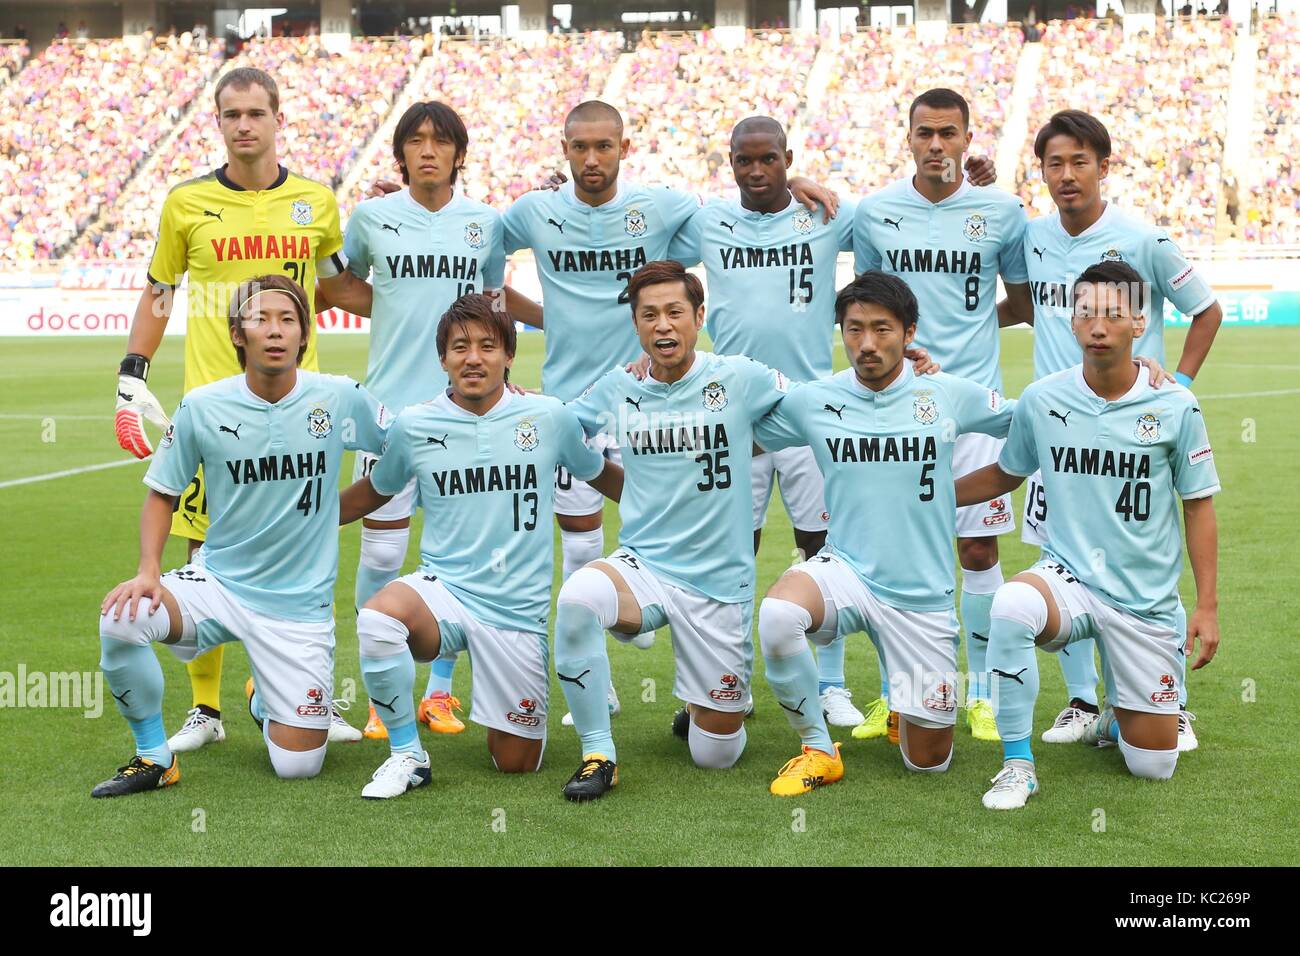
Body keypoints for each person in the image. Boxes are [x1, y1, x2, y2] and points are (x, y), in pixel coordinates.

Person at [113, 67, 371, 751]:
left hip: (303, 413)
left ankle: (283, 693)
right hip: (216, 411)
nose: (245, 125)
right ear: (218, 122)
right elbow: (161, 290)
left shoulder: (315, 201)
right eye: (232, 114)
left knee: (307, 548)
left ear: (279, 118)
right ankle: (206, 709)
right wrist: (131, 375)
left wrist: (412, 275)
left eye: (257, 112)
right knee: (206, 552)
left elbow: (343, 283)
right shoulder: (186, 202)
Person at [669, 115, 950, 732]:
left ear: (788, 158)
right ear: (731, 162)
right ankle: (720, 685)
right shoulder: (708, 221)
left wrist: (968, 175)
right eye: (745, 160)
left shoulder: (828, 215)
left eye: (769, 159)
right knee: (724, 554)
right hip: (731, 415)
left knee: (825, 548)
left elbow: (890, 214)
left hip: (814, 413)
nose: (757, 171)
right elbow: (629, 231)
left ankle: (830, 684)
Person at [93, 276, 389, 797]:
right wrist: (147, 571)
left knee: (297, 768)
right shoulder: (203, 406)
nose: (274, 330)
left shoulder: (340, 396)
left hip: (298, 608)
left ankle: (261, 700)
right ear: (237, 333)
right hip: (218, 581)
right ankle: (154, 757)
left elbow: (401, 449)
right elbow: (162, 493)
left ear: (304, 334)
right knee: (122, 619)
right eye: (260, 319)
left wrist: (337, 509)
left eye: (288, 319)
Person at [956, 261, 1220, 809]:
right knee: (1011, 605)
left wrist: (1207, 606)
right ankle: (1017, 764)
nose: (1098, 326)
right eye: (1086, 314)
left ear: (1138, 323)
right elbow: (1008, 471)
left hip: (1143, 601)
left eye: (1112, 314)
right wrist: (931, 493)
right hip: (1068, 578)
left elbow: (1197, 506)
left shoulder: (1174, 405)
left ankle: (1119, 715)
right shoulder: (1043, 398)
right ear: (1071, 324)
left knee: (1153, 765)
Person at [338, 295, 622, 797]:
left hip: (516, 610)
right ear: (442, 359)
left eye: (488, 346)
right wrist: (299, 519)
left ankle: (502, 713)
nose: (474, 358)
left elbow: (600, 476)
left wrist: (672, 500)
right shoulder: (414, 425)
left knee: (514, 764)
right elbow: (374, 492)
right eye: (460, 347)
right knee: (379, 619)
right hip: (443, 592)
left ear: (509, 354)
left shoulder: (548, 416)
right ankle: (408, 754)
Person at [753, 271, 1016, 795]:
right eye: (853, 330)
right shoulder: (816, 400)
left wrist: (1136, 377)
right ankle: (819, 750)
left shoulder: (946, 394)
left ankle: (905, 704)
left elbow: (1031, 422)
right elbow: (739, 428)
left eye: (882, 329)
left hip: (921, 596)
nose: (866, 344)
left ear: (909, 332)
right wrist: (657, 374)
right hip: (846, 570)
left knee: (928, 763)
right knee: (779, 613)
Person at [1021, 110, 1222, 749]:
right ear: (1043, 172)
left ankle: (1169, 701)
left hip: (1130, 433)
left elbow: (1207, 310)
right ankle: (1083, 702)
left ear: (1104, 167)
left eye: (1081, 161)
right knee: (1059, 561)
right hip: (1057, 435)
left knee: (1140, 565)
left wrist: (1179, 387)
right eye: (1055, 163)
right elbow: (1008, 301)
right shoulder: (1031, 237)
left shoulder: (1143, 238)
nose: (1068, 174)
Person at [556, 260, 790, 802]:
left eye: (674, 313)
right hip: (643, 565)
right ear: (636, 325)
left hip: (716, 582)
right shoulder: (619, 386)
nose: (663, 326)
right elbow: (562, 428)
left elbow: (812, 407)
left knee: (716, 757)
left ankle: (707, 706)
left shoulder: (740, 377)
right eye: (649, 315)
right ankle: (600, 754)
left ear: (699, 316)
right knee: (577, 598)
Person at [318, 101, 506, 739]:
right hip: (388, 414)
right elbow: (334, 285)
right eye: (416, 141)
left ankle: (441, 692)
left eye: (441, 140)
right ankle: (382, 691)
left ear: (459, 152)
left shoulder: (485, 222)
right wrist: (396, 304)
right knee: (383, 550)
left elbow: (492, 309)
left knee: (459, 554)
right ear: (400, 154)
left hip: (465, 414)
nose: (429, 150)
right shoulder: (371, 217)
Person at [853, 88, 1032, 742]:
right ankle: (895, 695)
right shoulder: (875, 214)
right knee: (890, 557)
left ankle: (981, 692)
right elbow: (866, 305)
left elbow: (1025, 303)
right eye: (924, 133)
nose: (936, 145)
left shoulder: (1001, 211)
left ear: (966, 139)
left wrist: (970, 328)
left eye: (948, 133)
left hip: (975, 409)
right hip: (897, 412)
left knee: (978, 548)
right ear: (908, 139)